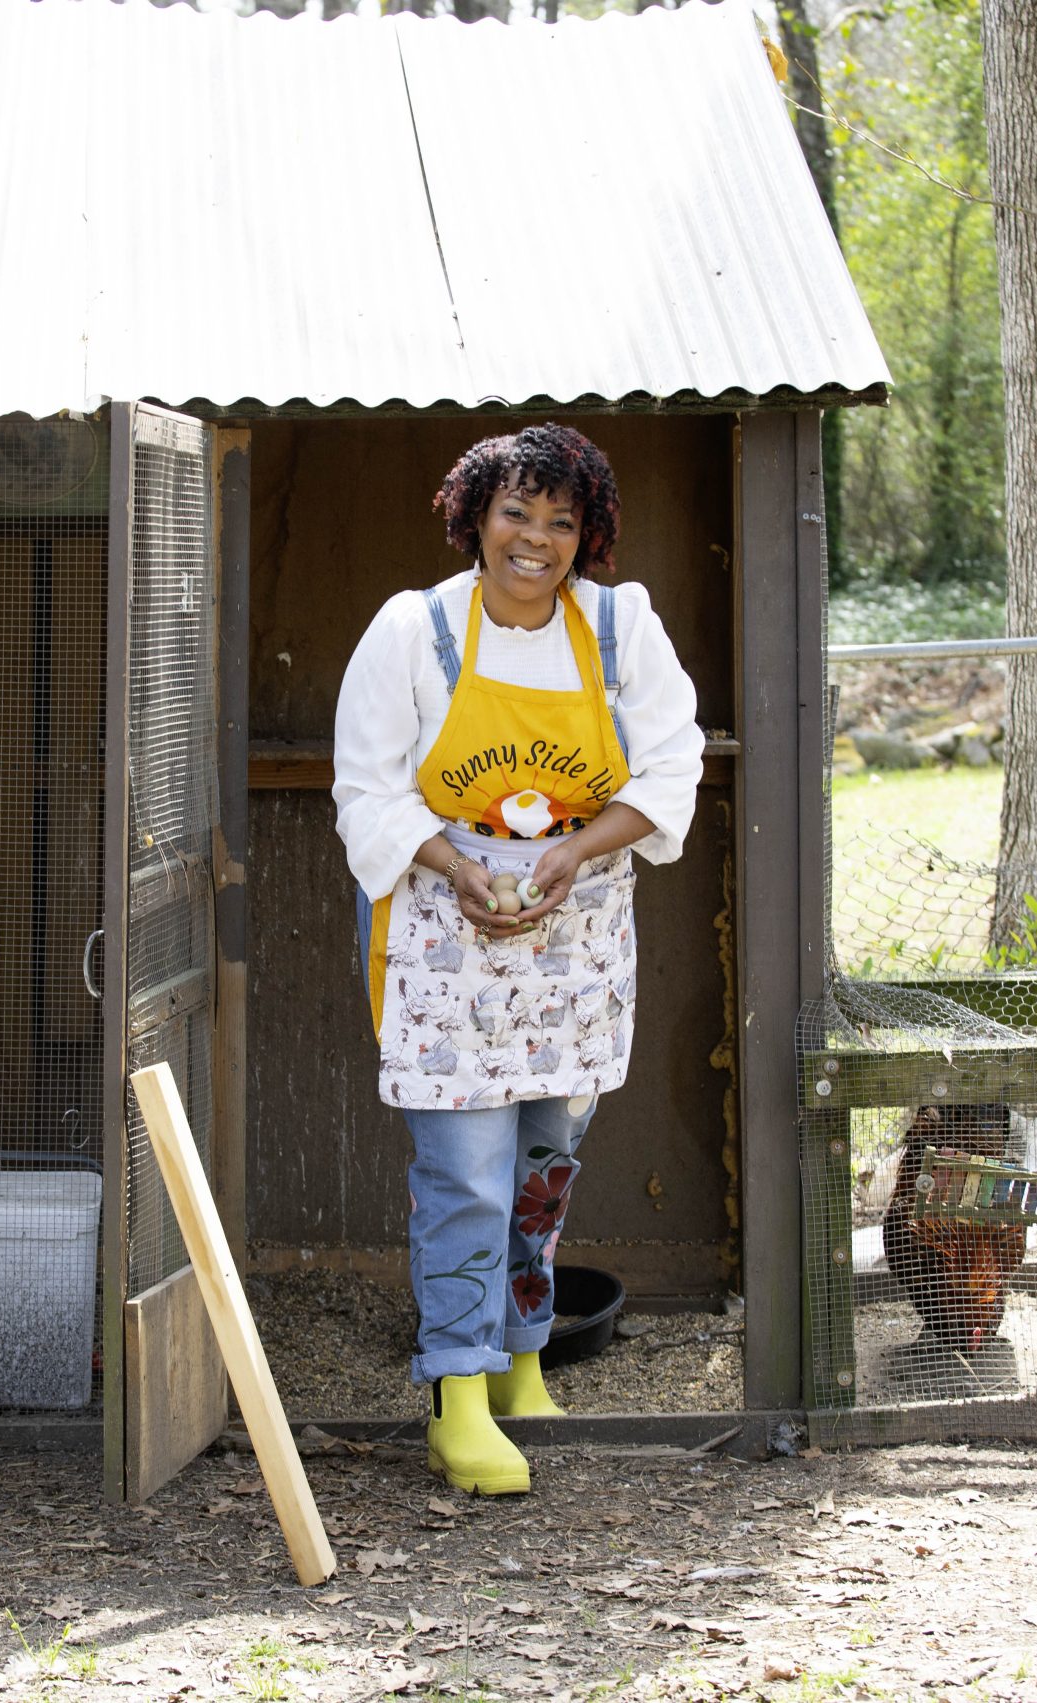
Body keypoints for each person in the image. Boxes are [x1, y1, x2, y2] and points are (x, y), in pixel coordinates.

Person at [332, 423, 701, 1496]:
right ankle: (455, 1390)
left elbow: (672, 762)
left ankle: (523, 1353)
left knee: (545, 1156)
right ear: (473, 517)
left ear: (587, 535)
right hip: (444, 931)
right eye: (514, 513)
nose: (534, 539)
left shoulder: (621, 630)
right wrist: (452, 864)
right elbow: (367, 785)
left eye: (560, 520)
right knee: (464, 1164)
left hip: (573, 928)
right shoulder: (414, 630)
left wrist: (573, 853)